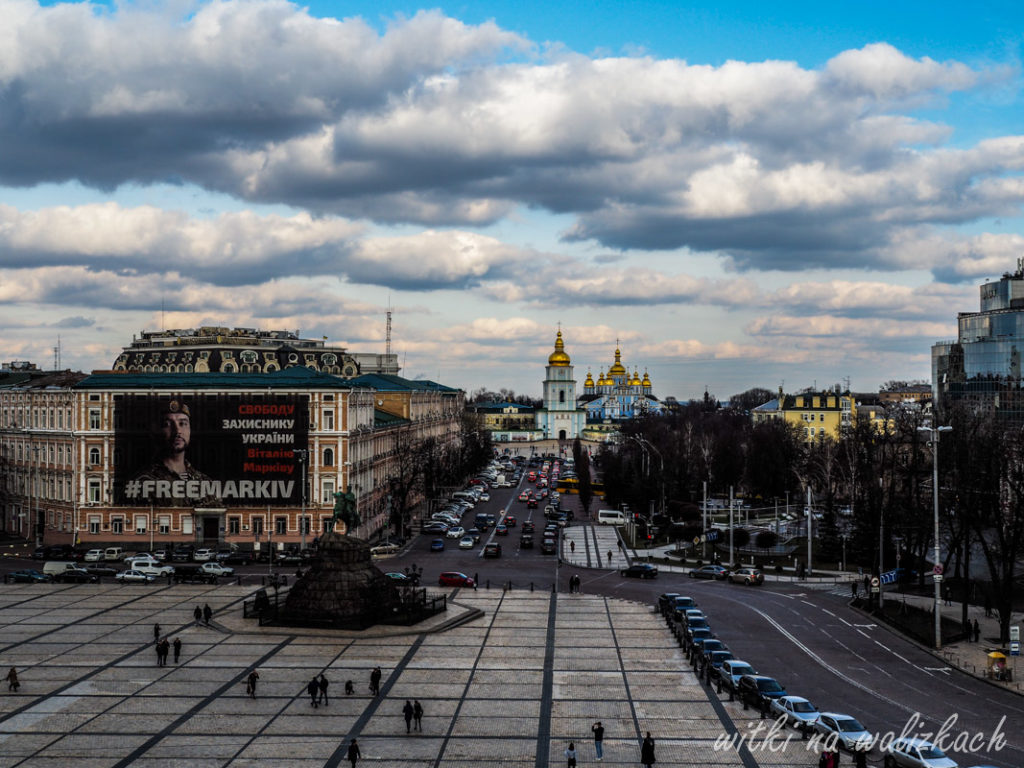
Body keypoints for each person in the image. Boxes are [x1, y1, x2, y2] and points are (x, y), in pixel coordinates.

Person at [129, 400, 218, 506]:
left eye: (183, 423)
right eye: (167, 424)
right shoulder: (141, 483)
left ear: (190, 429)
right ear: (158, 431)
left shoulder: (205, 482)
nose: (177, 431)